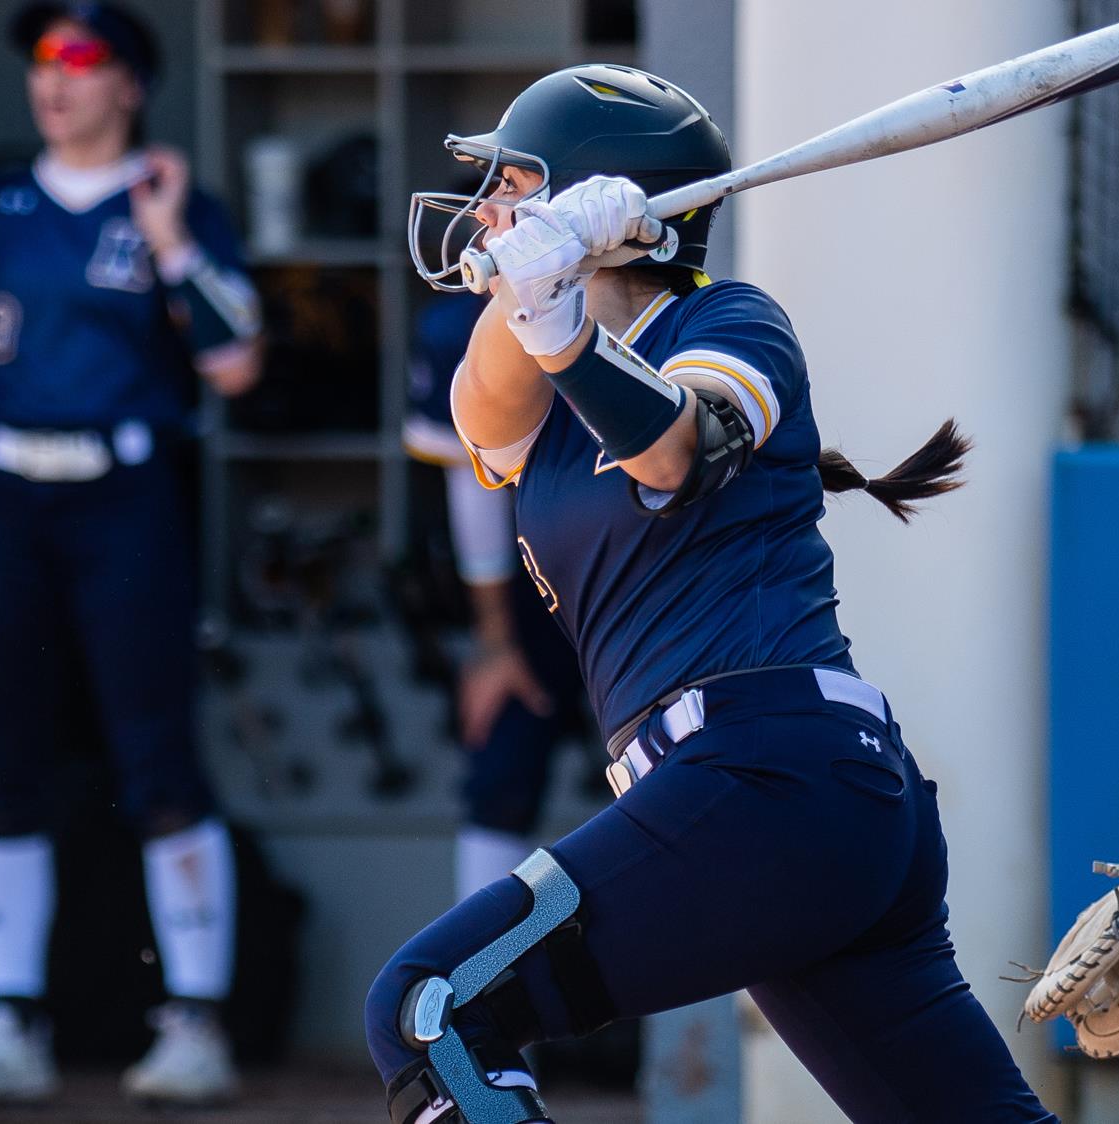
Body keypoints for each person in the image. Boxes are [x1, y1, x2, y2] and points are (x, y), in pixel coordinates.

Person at [371, 64, 1060, 1123]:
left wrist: (566, 314)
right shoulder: (536, 381)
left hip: (772, 770)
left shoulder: (734, 318)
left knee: (427, 1004)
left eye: (517, 181)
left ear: (607, 206)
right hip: (774, 804)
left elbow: (677, 452)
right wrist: (547, 300)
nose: (491, 209)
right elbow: (482, 413)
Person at [0, 0, 262, 1108]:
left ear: (129, 83)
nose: (56, 79)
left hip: (124, 493)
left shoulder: (169, 202)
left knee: (155, 754)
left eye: (82, 60)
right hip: (4, 496)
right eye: (43, 61)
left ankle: (195, 1022)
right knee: (0, 758)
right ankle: (9, 1019)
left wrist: (177, 238)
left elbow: (236, 362)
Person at [403, 290, 592, 903]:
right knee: (502, 773)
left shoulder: (650, 295)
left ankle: (673, 980)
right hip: (537, 574)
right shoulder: (467, 316)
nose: (489, 214)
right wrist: (495, 637)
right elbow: (471, 470)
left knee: (673, 768)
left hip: (642, 564)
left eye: (510, 187)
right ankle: (480, 983)